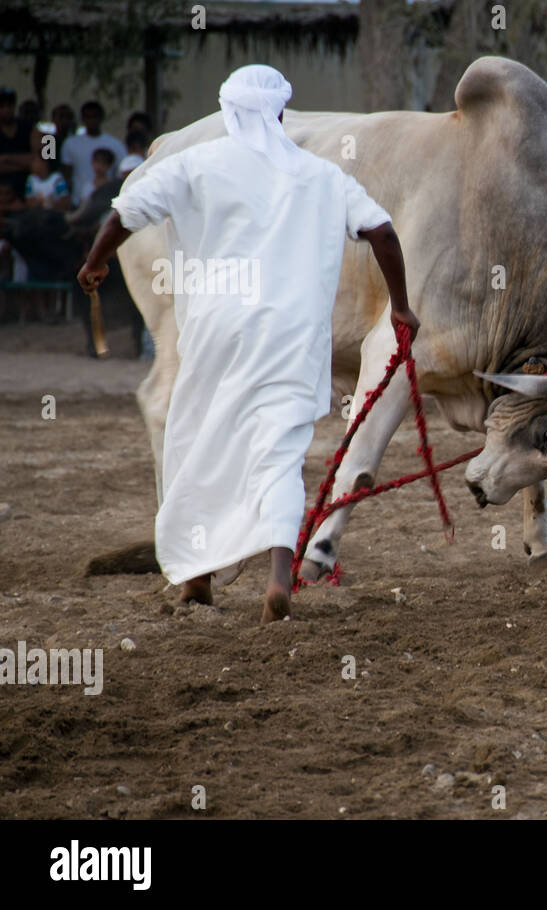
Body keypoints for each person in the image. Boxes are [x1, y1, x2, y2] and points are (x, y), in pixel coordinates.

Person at [77, 64, 421, 624]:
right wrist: (402, 305)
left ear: (227, 111)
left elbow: (124, 212)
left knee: (200, 444)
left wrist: (95, 263)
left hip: (215, 332)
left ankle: (196, 579)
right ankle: (279, 579)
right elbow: (381, 231)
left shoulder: (195, 164)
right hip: (292, 339)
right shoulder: (321, 175)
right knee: (279, 455)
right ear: (282, 113)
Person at [60, 101, 126, 204]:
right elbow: (66, 176)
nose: (91, 120)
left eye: (94, 116)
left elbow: (122, 174)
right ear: (82, 119)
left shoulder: (115, 145)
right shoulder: (70, 144)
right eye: (88, 117)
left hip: (107, 202)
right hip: (79, 201)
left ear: (101, 118)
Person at [0, 87, 38, 199]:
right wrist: (25, 165)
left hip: (27, 190)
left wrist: (6, 158)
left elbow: (38, 161)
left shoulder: (29, 128)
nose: (6, 110)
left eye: (9, 106)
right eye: (2, 107)